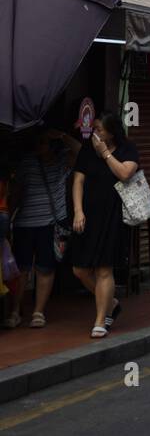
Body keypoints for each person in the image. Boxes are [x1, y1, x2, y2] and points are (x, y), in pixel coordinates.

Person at [71, 112, 139, 340]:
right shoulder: (87, 149)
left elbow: (125, 173)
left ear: (112, 131)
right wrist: (78, 210)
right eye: (94, 128)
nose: (95, 133)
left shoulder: (127, 149)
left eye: (99, 129)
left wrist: (106, 154)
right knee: (79, 269)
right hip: (87, 215)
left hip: (113, 216)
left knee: (103, 269)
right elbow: (78, 180)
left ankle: (101, 320)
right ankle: (112, 303)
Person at [6, 127, 77, 330]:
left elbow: (81, 151)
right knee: (22, 269)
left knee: (45, 268)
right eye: (37, 142)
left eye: (43, 142)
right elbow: (17, 192)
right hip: (25, 223)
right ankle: (15, 311)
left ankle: (39, 312)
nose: (39, 146)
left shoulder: (63, 161)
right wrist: (9, 219)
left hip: (51, 224)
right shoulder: (27, 162)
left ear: (52, 144)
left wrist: (62, 135)